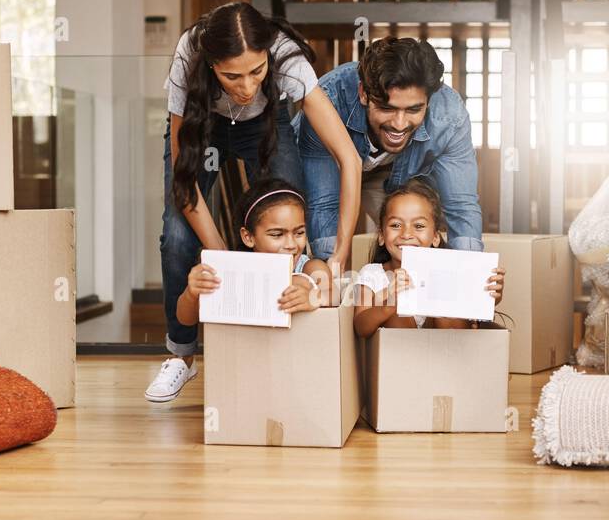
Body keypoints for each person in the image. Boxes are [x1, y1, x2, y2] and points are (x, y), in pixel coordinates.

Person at [146, 2, 361, 404]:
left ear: (269, 57)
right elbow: (184, 180)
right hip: (203, 126)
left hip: (264, 126)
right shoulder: (188, 53)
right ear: (210, 65)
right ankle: (181, 356)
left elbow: (348, 157)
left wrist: (342, 251)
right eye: (232, 76)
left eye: (256, 72)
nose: (246, 87)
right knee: (176, 237)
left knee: (285, 223)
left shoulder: (287, 56)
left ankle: (279, 341)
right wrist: (227, 260)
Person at [296, 36, 483, 267]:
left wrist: (472, 275)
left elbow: (461, 206)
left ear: (429, 100)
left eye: (414, 109)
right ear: (364, 94)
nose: (399, 124)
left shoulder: (449, 115)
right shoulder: (329, 100)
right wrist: (329, 273)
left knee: (404, 235)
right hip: (325, 168)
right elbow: (324, 203)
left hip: (389, 172)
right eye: (387, 108)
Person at [354, 178, 504, 339]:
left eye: (418, 226)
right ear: (382, 236)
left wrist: (490, 297)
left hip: (447, 354)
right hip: (398, 358)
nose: (406, 234)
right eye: (396, 225)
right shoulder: (372, 274)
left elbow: (472, 317)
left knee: (447, 303)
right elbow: (360, 328)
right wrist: (388, 305)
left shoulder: (451, 272)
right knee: (397, 313)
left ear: (435, 237)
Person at [176, 180, 331, 327]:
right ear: (248, 237)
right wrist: (192, 293)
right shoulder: (231, 274)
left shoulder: (310, 268)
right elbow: (186, 320)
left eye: (299, 233)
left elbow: (333, 296)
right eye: (277, 234)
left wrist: (314, 297)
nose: (291, 245)